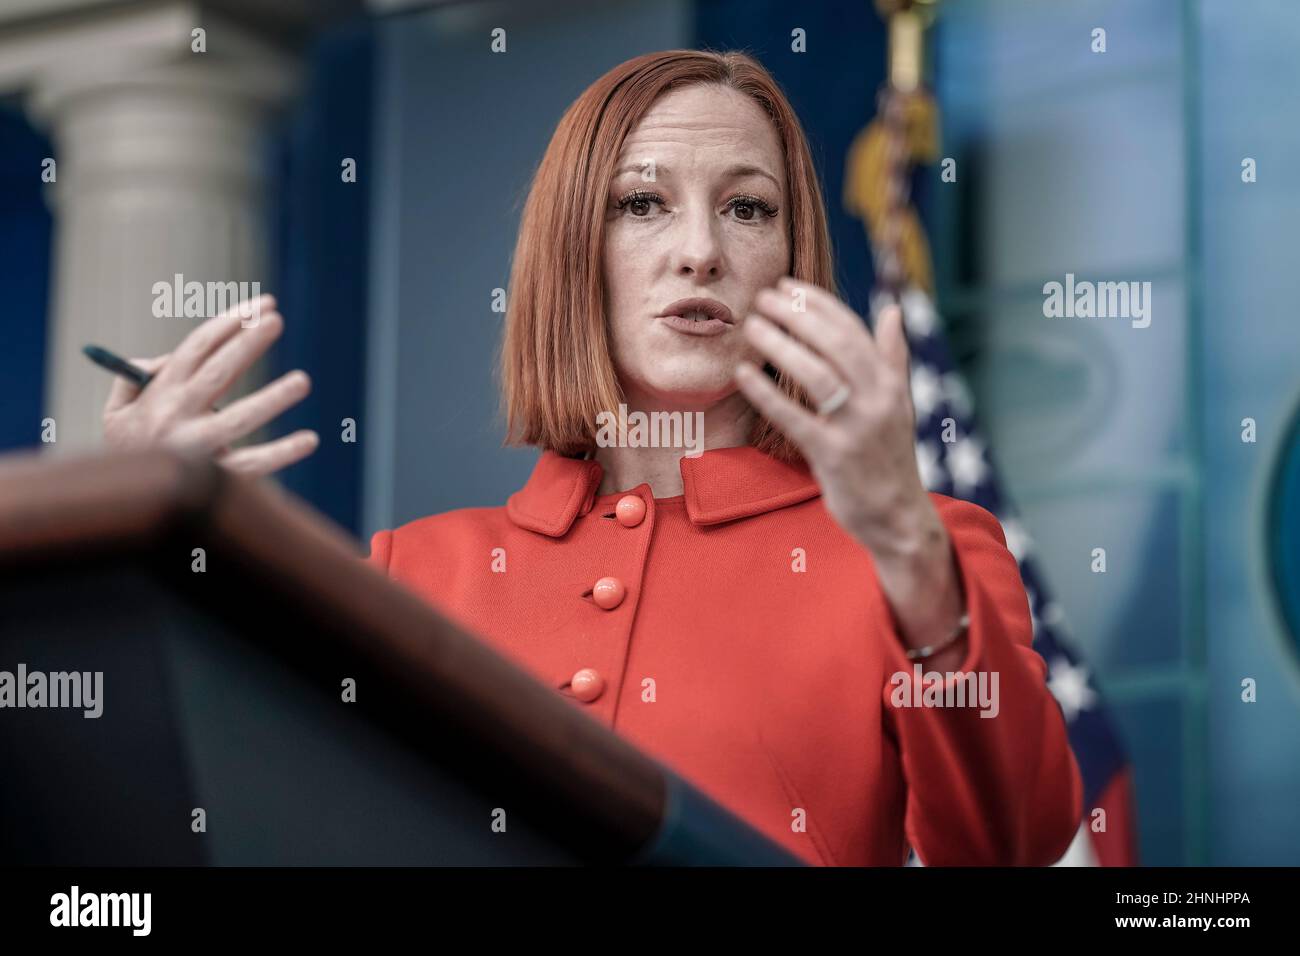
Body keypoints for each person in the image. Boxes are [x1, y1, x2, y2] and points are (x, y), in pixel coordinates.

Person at [103, 49, 1082, 866]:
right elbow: (194, 824)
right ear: (573, 248)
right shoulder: (406, 575)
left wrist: (909, 553)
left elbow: (1014, 845)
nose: (700, 250)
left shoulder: (929, 553)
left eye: (747, 208)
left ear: (792, 256)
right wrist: (141, 555)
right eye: (641, 203)